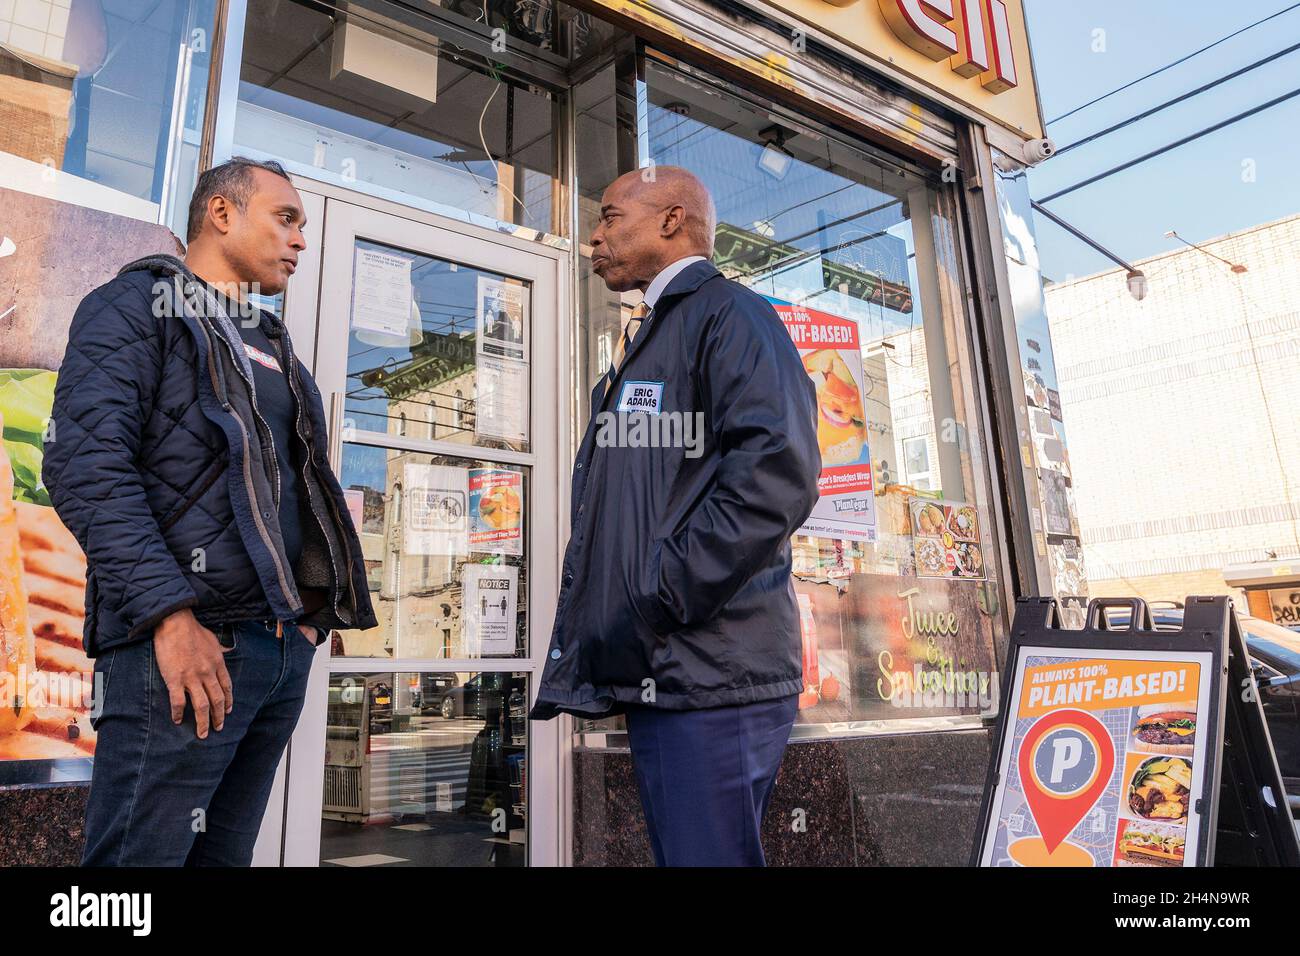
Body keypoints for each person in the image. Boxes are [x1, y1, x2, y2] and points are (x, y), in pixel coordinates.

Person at [43, 157, 377, 866]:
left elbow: (298, 483)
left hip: (277, 651)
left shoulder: (270, 340)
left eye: (303, 226)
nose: (301, 240)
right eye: (285, 218)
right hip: (183, 647)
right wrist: (170, 619)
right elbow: (85, 468)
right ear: (221, 214)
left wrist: (311, 620)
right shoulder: (131, 306)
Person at [530, 166, 821, 866]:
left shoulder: (728, 315)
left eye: (608, 216)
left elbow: (777, 474)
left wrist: (661, 593)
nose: (593, 236)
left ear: (671, 221)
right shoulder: (659, 333)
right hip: (677, 669)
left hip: (709, 674)